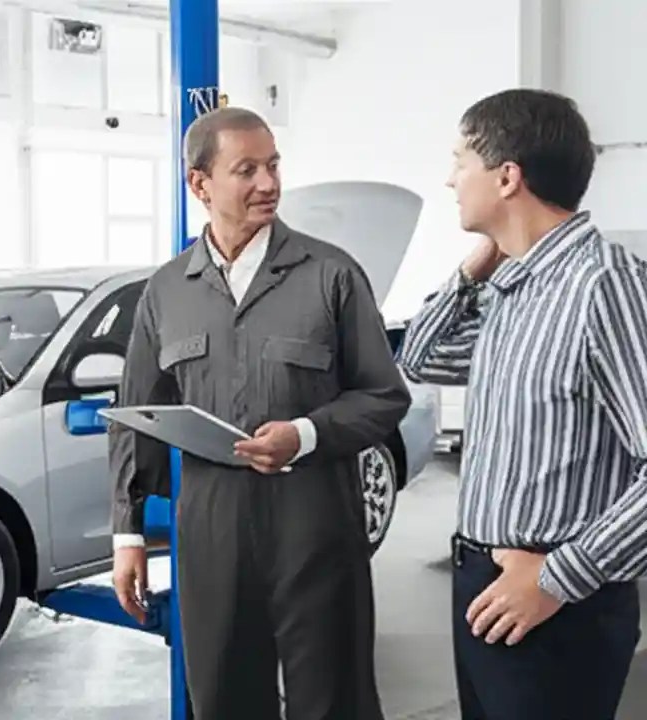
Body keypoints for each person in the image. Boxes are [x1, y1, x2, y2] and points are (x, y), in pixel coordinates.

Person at [108, 106, 411, 720]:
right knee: (223, 697)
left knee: (334, 703)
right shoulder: (166, 292)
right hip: (213, 532)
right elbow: (134, 413)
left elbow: (384, 396)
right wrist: (128, 533)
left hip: (317, 529)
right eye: (246, 169)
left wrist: (304, 435)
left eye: (273, 165)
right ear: (201, 185)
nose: (269, 183)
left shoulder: (331, 275)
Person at [397, 88, 647, 720]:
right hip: (484, 587)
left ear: (508, 176)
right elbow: (417, 357)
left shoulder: (603, 285)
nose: (450, 179)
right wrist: (481, 259)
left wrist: (559, 579)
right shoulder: (513, 288)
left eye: (460, 161)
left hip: (559, 606)